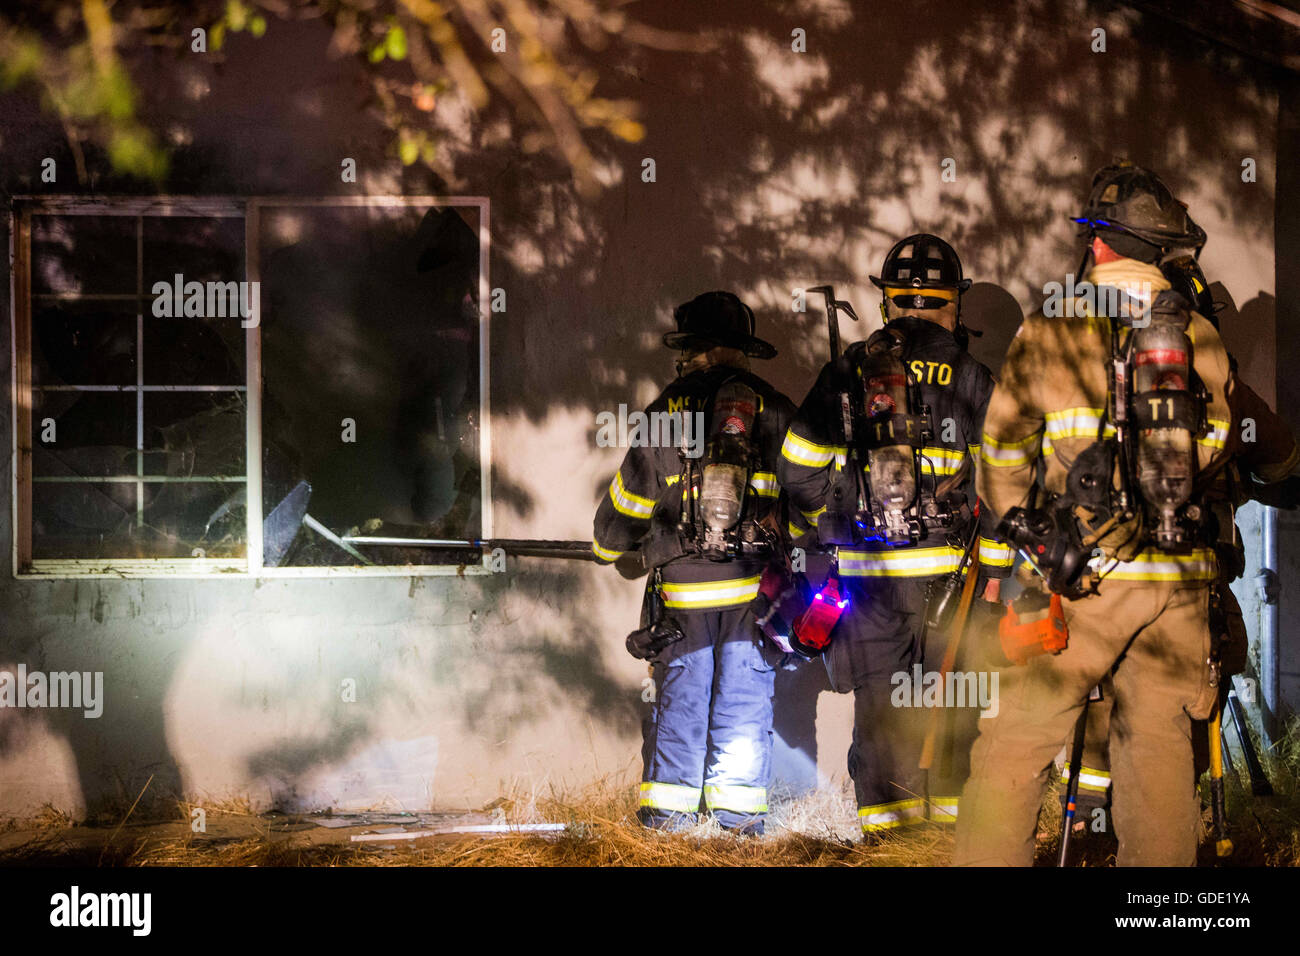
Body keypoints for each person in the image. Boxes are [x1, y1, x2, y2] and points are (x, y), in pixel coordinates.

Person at [955, 163, 1239, 866]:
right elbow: (1216, 445)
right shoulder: (1198, 333)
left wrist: (1026, 529)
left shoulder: (1052, 326)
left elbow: (1002, 446)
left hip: (1083, 572)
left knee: (1016, 742)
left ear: (1101, 244)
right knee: (1161, 753)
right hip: (1179, 577)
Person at [777, 234, 1012, 837]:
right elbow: (1007, 486)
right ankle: (951, 848)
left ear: (889, 303)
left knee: (880, 726)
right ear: (952, 306)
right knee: (953, 717)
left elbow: (798, 468)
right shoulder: (975, 377)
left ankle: (890, 847)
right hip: (952, 587)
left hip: (869, 585)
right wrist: (991, 581)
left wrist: (826, 529)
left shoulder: (850, 370)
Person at [592, 291, 797, 834]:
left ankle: (668, 827)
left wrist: (608, 546)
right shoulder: (774, 408)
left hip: (683, 597)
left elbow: (625, 508)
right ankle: (737, 823)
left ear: (692, 351)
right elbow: (811, 494)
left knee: (682, 700)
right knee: (745, 705)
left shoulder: (666, 410)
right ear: (741, 351)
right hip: (756, 596)